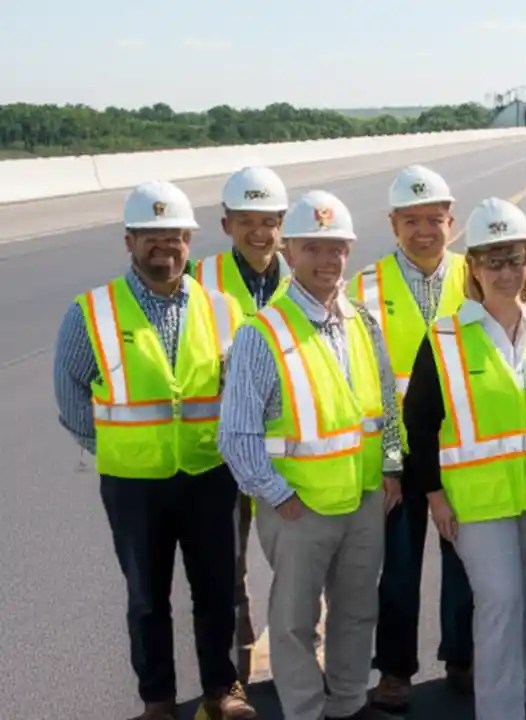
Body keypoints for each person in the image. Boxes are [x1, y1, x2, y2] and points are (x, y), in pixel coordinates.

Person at [53, 180, 254, 720]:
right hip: (133, 484)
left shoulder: (222, 308)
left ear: (190, 241)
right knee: (147, 598)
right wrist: (119, 446)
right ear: (129, 242)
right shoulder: (92, 311)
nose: (165, 246)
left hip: (209, 473)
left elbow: (241, 389)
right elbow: (70, 393)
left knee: (216, 591)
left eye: (175, 236)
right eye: (151, 236)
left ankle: (221, 690)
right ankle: (158, 700)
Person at [218, 189, 402, 720]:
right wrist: (278, 495)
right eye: (314, 248)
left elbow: (386, 405)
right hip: (298, 506)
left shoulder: (362, 321)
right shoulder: (263, 333)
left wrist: (391, 467)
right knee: (295, 623)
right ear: (290, 252)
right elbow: (237, 434)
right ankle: (304, 710)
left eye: (337, 248)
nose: (328, 260)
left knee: (356, 611)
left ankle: (348, 703)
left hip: (363, 498)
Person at [404, 197, 526, 720]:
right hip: (476, 502)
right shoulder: (445, 337)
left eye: (514, 259)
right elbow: (419, 421)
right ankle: (500, 711)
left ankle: (524, 691)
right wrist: (434, 495)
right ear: (474, 268)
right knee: (499, 601)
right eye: (493, 261)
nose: (505, 272)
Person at [350, 164, 468, 713]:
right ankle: (395, 670)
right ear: (392, 223)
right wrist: (390, 461)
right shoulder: (364, 287)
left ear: (452, 220)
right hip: (397, 455)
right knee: (397, 569)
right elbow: (362, 381)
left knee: (464, 562)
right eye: (411, 220)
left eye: (434, 219)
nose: (424, 231)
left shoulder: (473, 274)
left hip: (460, 449)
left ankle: (462, 657)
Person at [193, 164, 292, 684]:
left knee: (299, 565)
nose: (259, 232)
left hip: (290, 449)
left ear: (283, 224)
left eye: (269, 221)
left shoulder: (303, 275)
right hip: (223, 451)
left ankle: (302, 664)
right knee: (227, 568)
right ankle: (235, 673)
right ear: (226, 224)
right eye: (247, 221)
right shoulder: (198, 279)